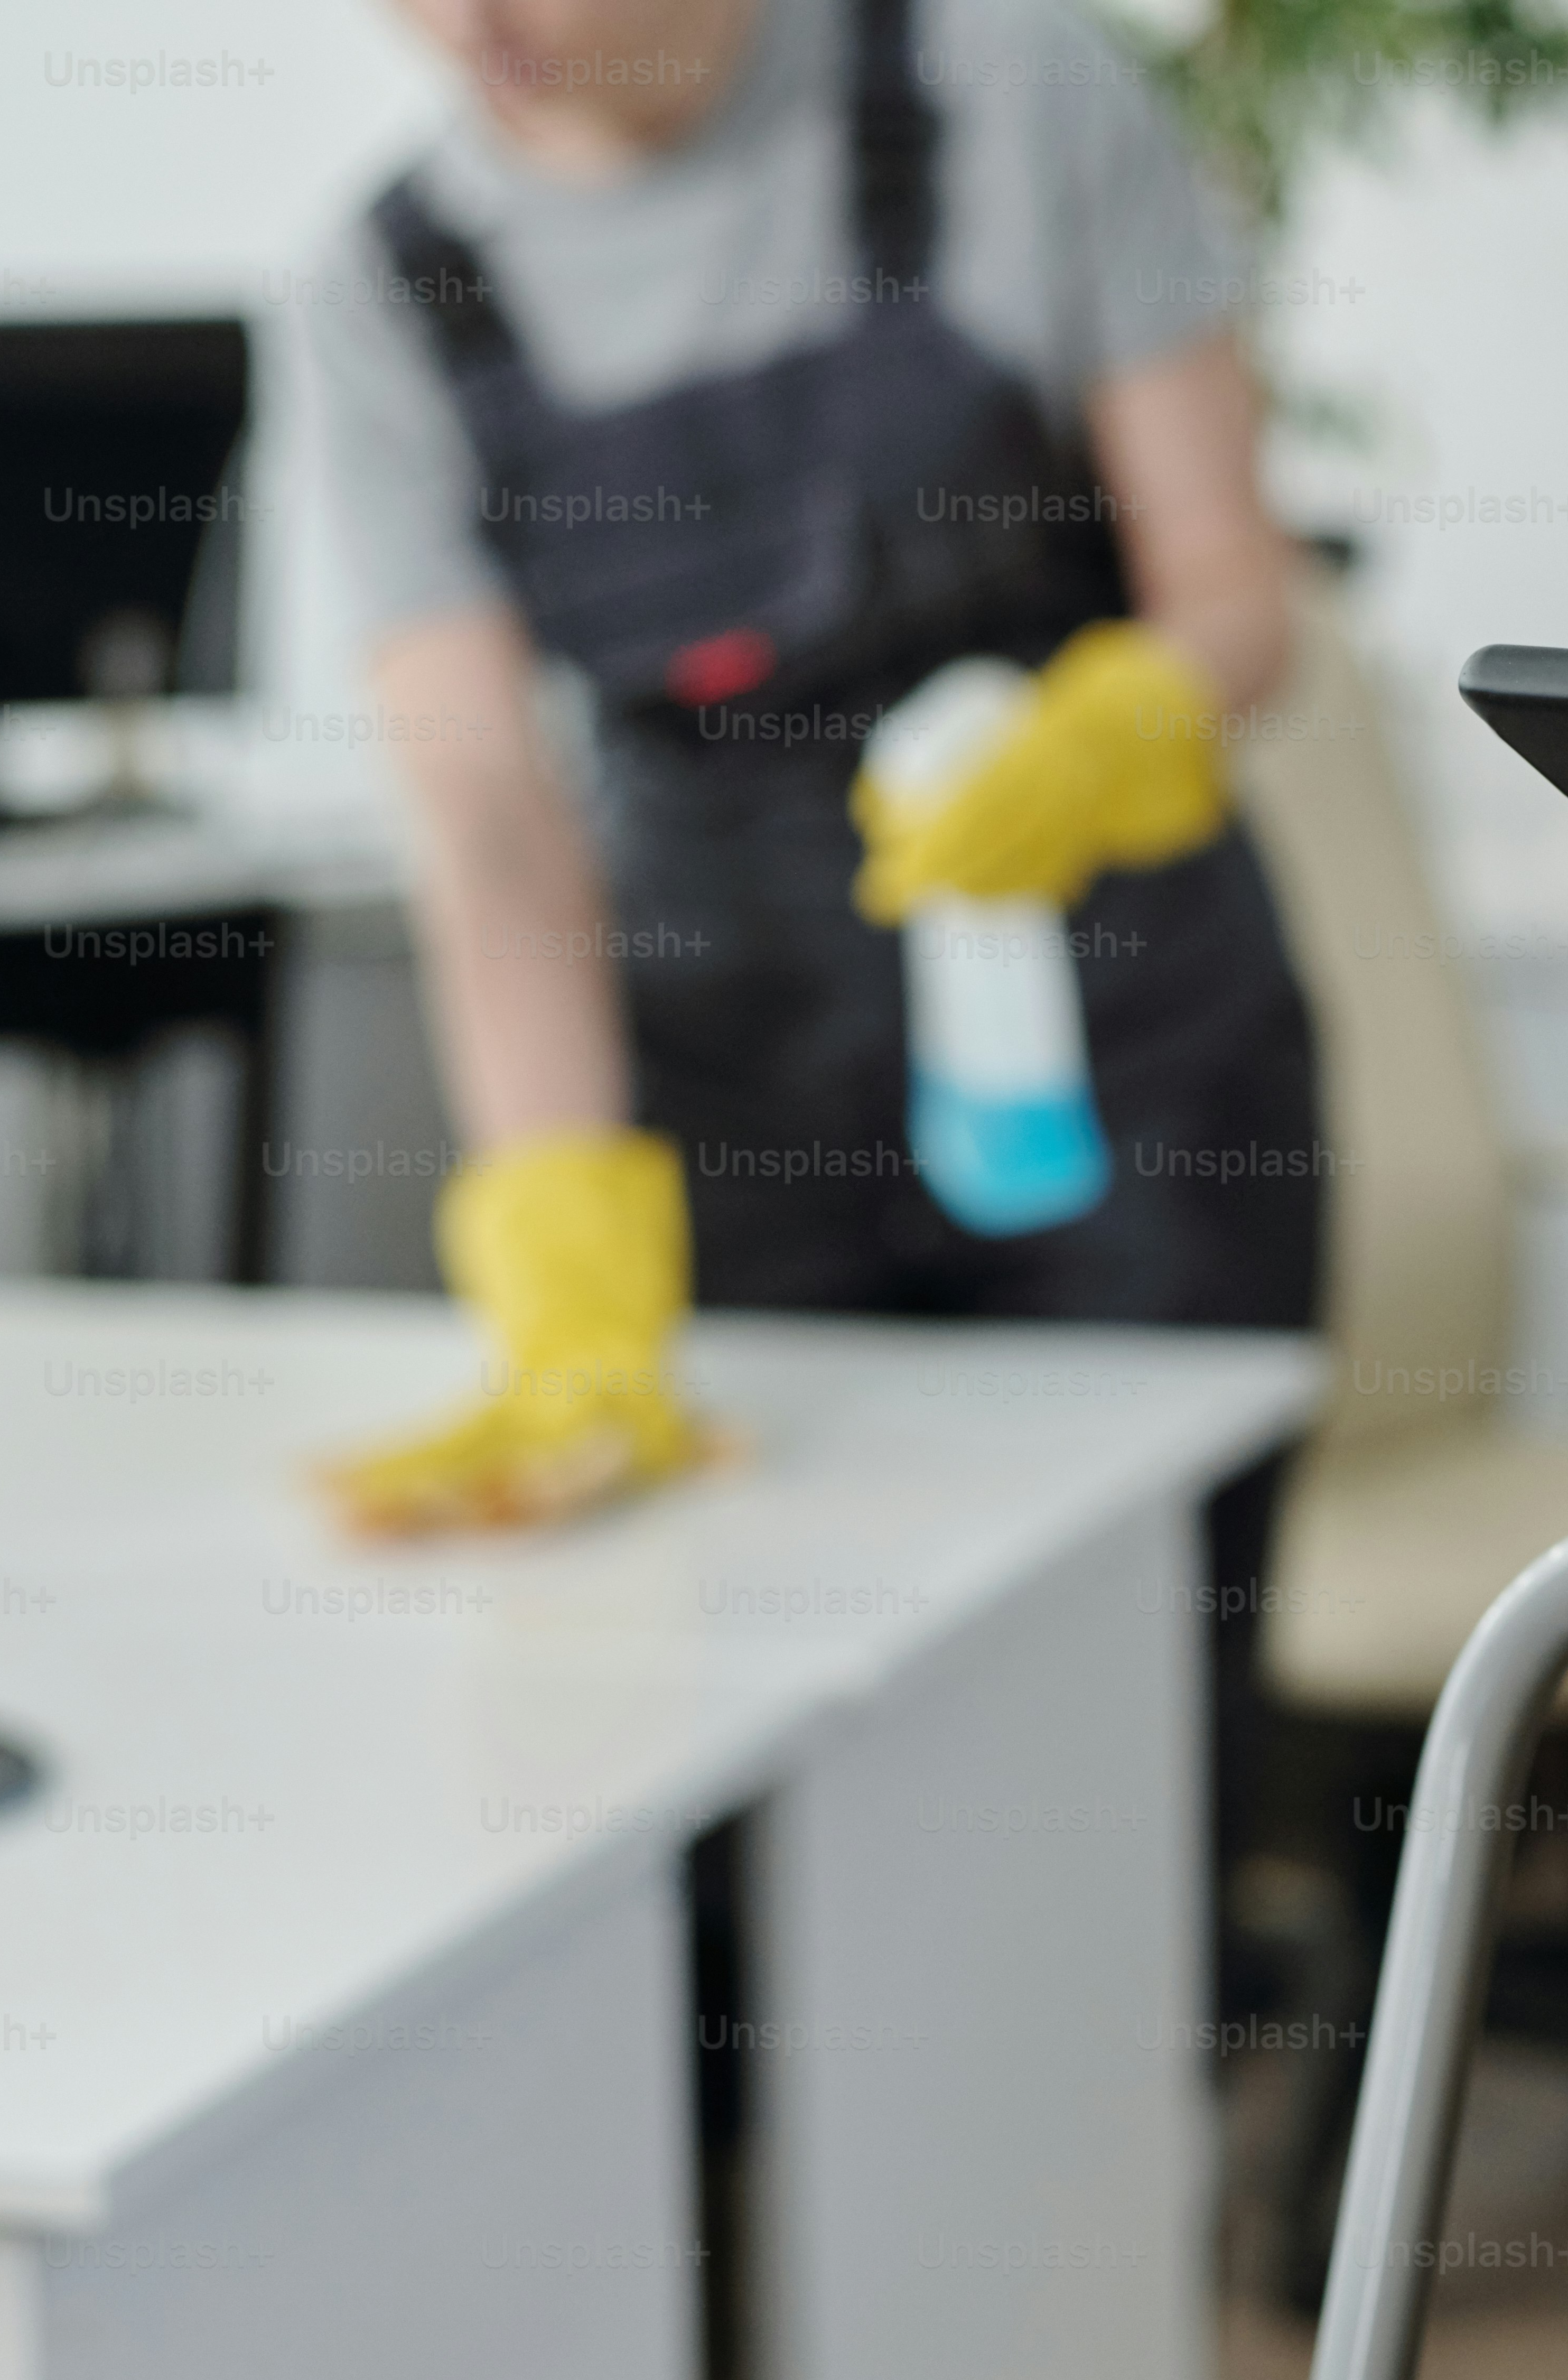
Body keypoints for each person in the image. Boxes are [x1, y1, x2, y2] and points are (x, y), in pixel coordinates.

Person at [292, 0, 1319, 1538]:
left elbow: (1235, 588)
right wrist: (565, 1241)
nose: (465, 23)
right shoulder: (387, 284)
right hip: (732, 1092)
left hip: (1128, 1070)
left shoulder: (1013, 87)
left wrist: (1123, 731)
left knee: (1152, 1621)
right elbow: (490, 816)